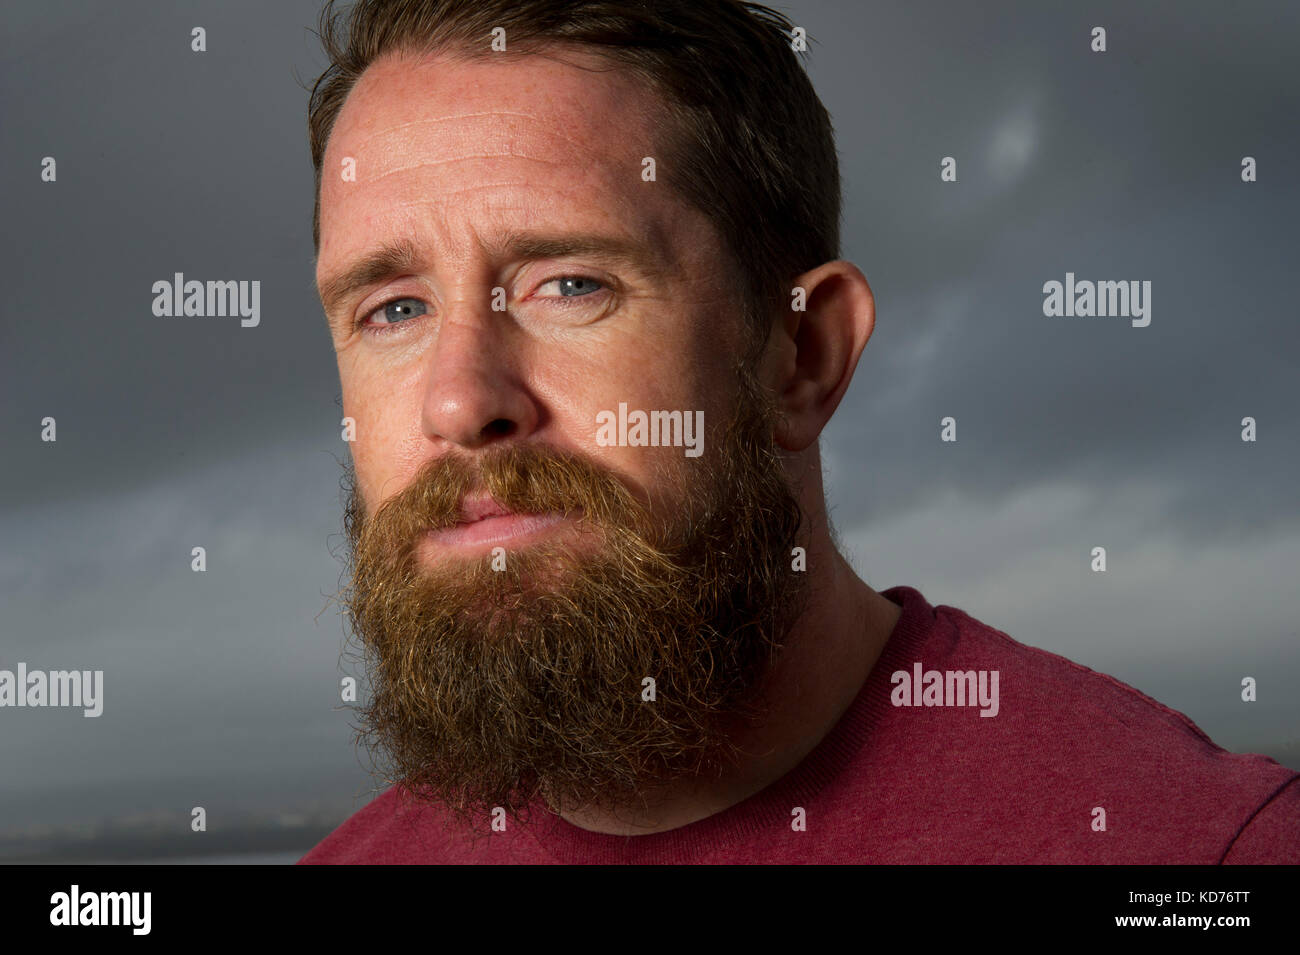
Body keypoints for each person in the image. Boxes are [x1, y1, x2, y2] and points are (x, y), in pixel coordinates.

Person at [299, 0, 1298, 864]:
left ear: (801, 353)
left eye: (570, 284)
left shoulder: (1201, 852)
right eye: (391, 309)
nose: (458, 402)